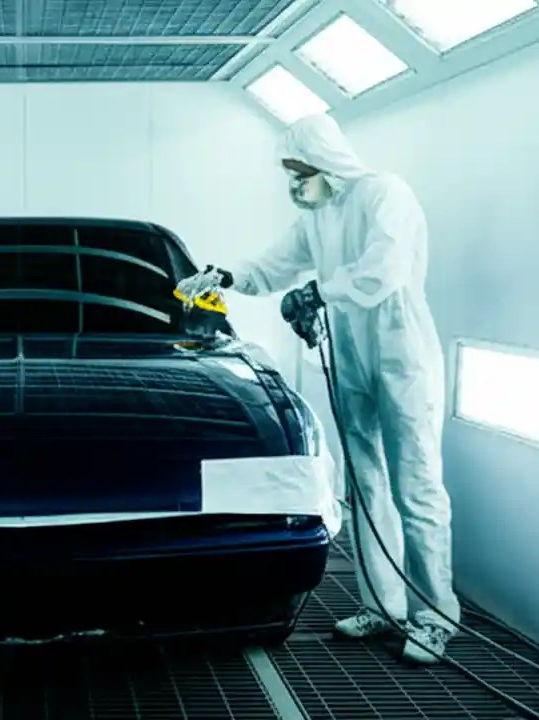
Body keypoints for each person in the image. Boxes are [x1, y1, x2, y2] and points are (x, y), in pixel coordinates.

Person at [175, 113, 458, 664]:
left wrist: (318, 293)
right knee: (366, 487)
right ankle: (384, 604)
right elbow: (275, 263)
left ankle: (434, 616)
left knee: (417, 489)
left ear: (326, 161)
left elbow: (384, 271)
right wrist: (226, 276)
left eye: (299, 172)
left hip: (403, 355)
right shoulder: (320, 217)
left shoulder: (384, 194)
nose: (294, 184)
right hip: (351, 354)